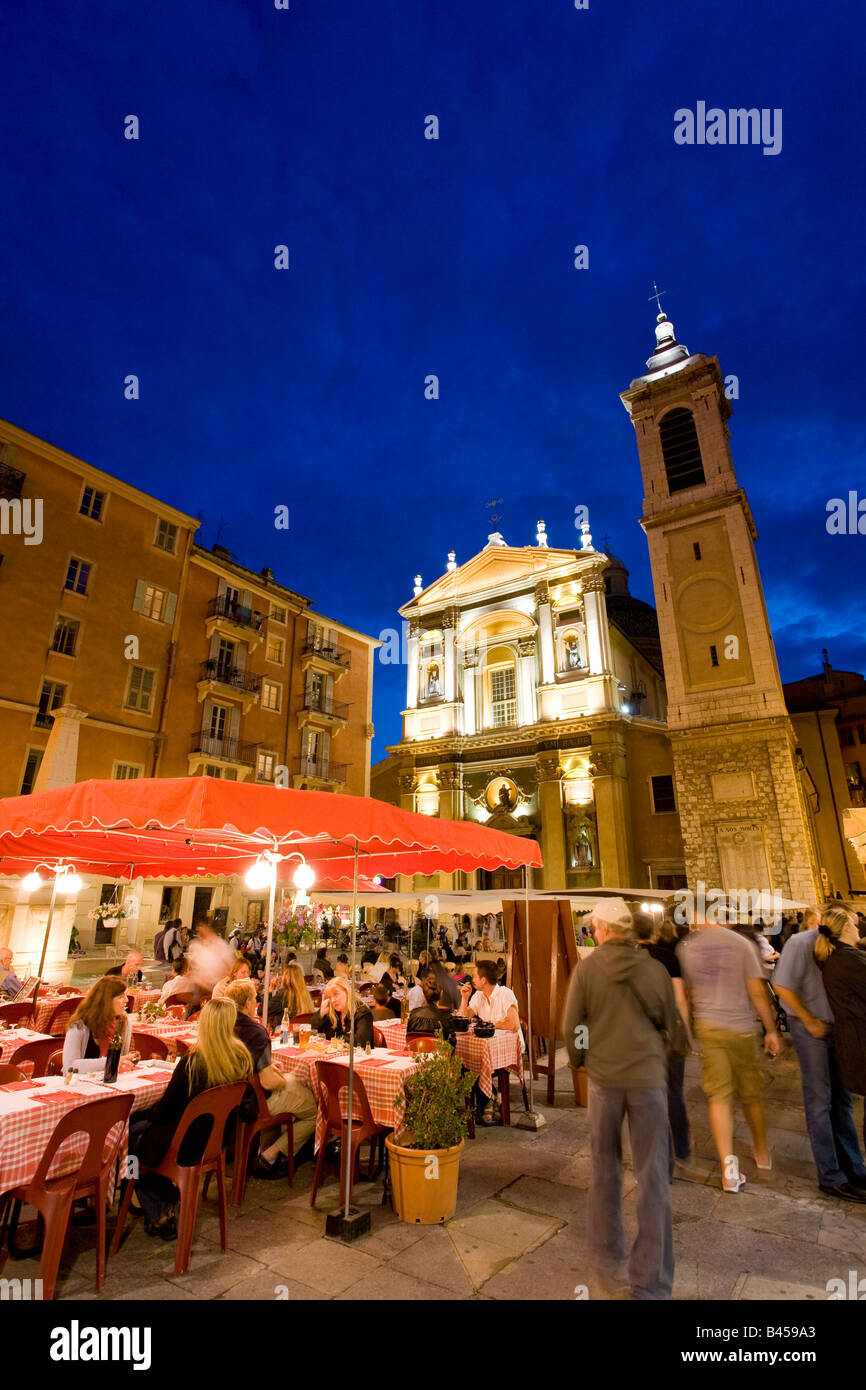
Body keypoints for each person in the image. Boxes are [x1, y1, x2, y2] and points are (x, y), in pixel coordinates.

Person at [563, 897, 677, 1300]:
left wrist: (581, 1057)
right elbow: (674, 1028)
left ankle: (607, 1251)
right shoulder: (655, 970)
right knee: (652, 1177)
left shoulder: (587, 969)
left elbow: (574, 1025)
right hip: (646, 1080)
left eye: (594, 926)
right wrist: (655, 1052)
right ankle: (652, 1281)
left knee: (604, 1166)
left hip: (605, 1079)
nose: (593, 931)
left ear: (604, 929)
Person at [126, 998, 252, 1237]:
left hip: (184, 1145)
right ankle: (151, 1200)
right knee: (138, 1132)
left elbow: (164, 1112)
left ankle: (146, 1197)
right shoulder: (242, 1058)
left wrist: (141, 1112)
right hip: (216, 1141)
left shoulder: (193, 1063)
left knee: (127, 1137)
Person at [678, 906, 781, 1192]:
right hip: (742, 1027)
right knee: (751, 1095)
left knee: (719, 1098)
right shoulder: (741, 944)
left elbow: (690, 993)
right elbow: (757, 991)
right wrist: (771, 1030)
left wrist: (691, 1030)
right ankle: (761, 1153)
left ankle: (729, 1171)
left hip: (709, 1028)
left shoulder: (689, 949)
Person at [772, 904, 866, 1203]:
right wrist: (809, 1020)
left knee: (842, 1100)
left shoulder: (840, 950)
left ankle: (854, 1166)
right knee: (819, 1101)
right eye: (851, 921)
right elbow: (780, 986)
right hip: (810, 1028)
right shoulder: (801, 943)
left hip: (838, 1029)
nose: (855, 925)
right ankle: (831, 1175)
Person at [225, 980, 317, 1178]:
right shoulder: (255, 1031)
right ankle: (270, 1156)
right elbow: (269, 1083)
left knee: (292, 1085)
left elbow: (245, 1061)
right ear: (249, 1002)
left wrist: (266, 1064)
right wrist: (281, 1079)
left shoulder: (224, 1026)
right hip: (254, 1102)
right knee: (314, 1111)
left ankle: (265, 1149)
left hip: (229, 1100)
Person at [634, 913, 693, 1170]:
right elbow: (680, 1000)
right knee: (674, 1093)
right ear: (654, 932)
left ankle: (664, 1163)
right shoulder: (669, 958)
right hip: (670, 1034)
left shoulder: (630, 962)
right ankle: (682, 1146)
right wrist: (687, 1032)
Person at [814, 905, 866, 1177]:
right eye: (855, 924)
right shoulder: (848, 961)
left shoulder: (833, 958)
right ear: (845, 928)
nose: (858, 928)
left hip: (852, 1039)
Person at [63, 976, 132, 1074]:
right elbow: (69, 1066)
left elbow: (121, 1060)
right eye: (121, 997)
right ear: (106, 1001)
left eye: (126, 996)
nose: (126, 1000)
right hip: (80, 1082)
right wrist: (107, 1062)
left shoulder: (124, 1022)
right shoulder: (79, 1025)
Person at [458, 960, 524, 1049]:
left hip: (510, 1046)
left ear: (483, 980)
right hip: (490, 1045)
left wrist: (491, 1025)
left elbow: (514, 1025)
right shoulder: (478, 995)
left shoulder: (505, 994)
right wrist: (464, 998)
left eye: (475, 977)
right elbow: (463, 1019)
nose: (472, 980)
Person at [310, 978, 373, 1048]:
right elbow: (312, 1032)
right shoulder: (331, 1011)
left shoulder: (362, 1012)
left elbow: (361, 1041)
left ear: (347, 992)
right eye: (330, 997)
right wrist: (320, 1015)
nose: (333, 1000)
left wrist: (337, 1039)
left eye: (336, 994)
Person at [408, 972, 456, 1047]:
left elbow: (409, 1040)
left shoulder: (414, 1014)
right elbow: (452, 1045)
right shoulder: (446, 1017)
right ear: (441, 994)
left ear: (423, 995)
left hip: (416, 1054)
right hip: (440, 1057)